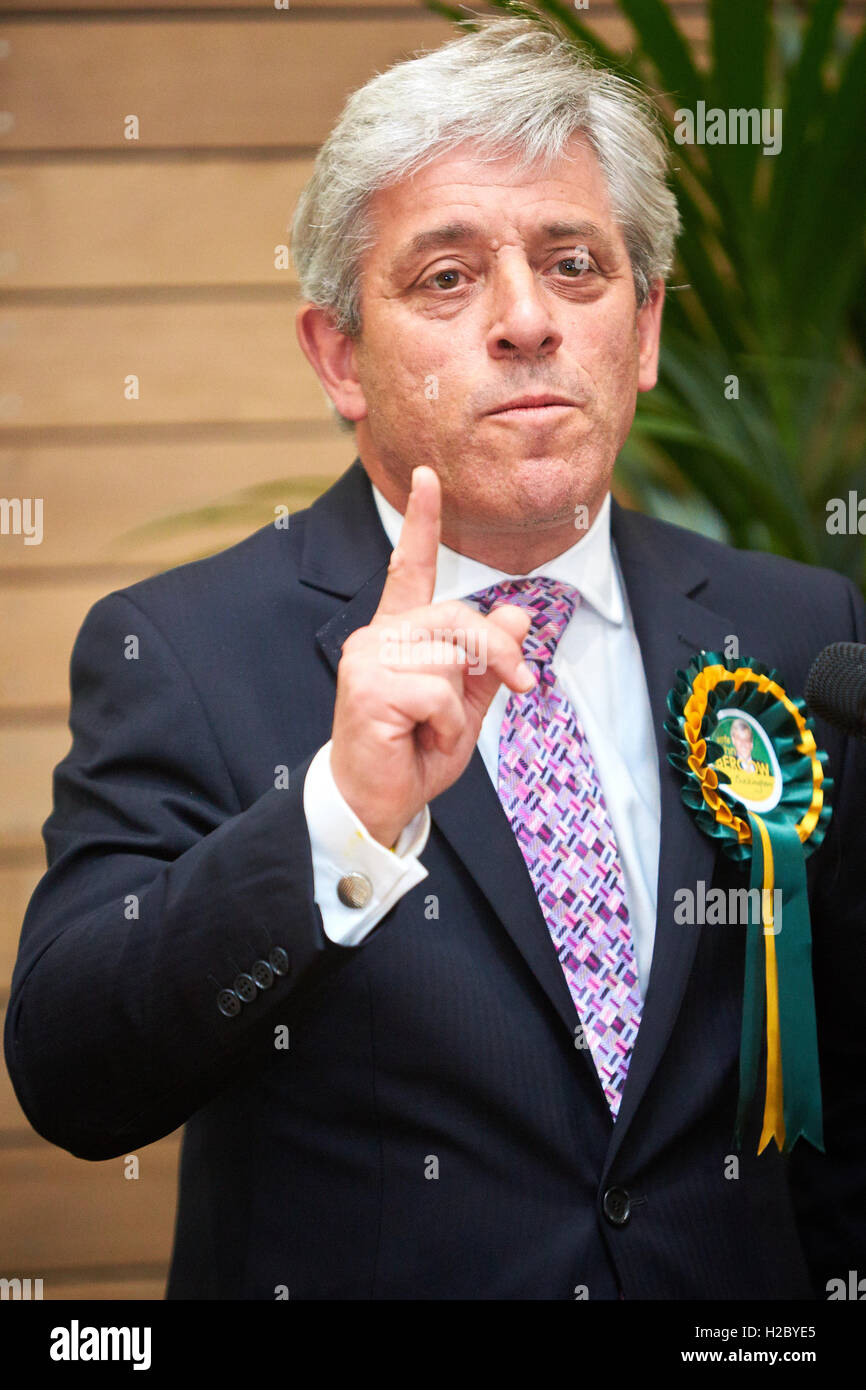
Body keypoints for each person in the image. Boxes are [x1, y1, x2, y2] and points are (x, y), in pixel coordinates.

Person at [5, 16, 866, 1301]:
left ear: (639, 332)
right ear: (341, 356)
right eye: (447, 277)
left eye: (574, 264)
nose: (525, 320)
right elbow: (75, 1071)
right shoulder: (183, 648)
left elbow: (837, 1111)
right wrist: (338, 822)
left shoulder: (804, 631)